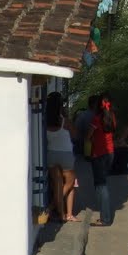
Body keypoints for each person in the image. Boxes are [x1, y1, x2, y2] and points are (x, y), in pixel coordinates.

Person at [45, 92, 79, 223]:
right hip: (66, 155)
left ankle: (61, 214)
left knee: (57, 185)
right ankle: (50, 208)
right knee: (70, 183)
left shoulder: (45, 121)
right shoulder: (64, 121)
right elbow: (76, 135)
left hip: (51, 154)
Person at [88, 94, 117, 226]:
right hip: (110, 153)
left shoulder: (96, 119)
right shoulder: (112, 117)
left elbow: (88, 135)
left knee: (101, 185)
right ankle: (103, 216)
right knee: (102, 182)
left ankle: (105, 218)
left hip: (98, 154)